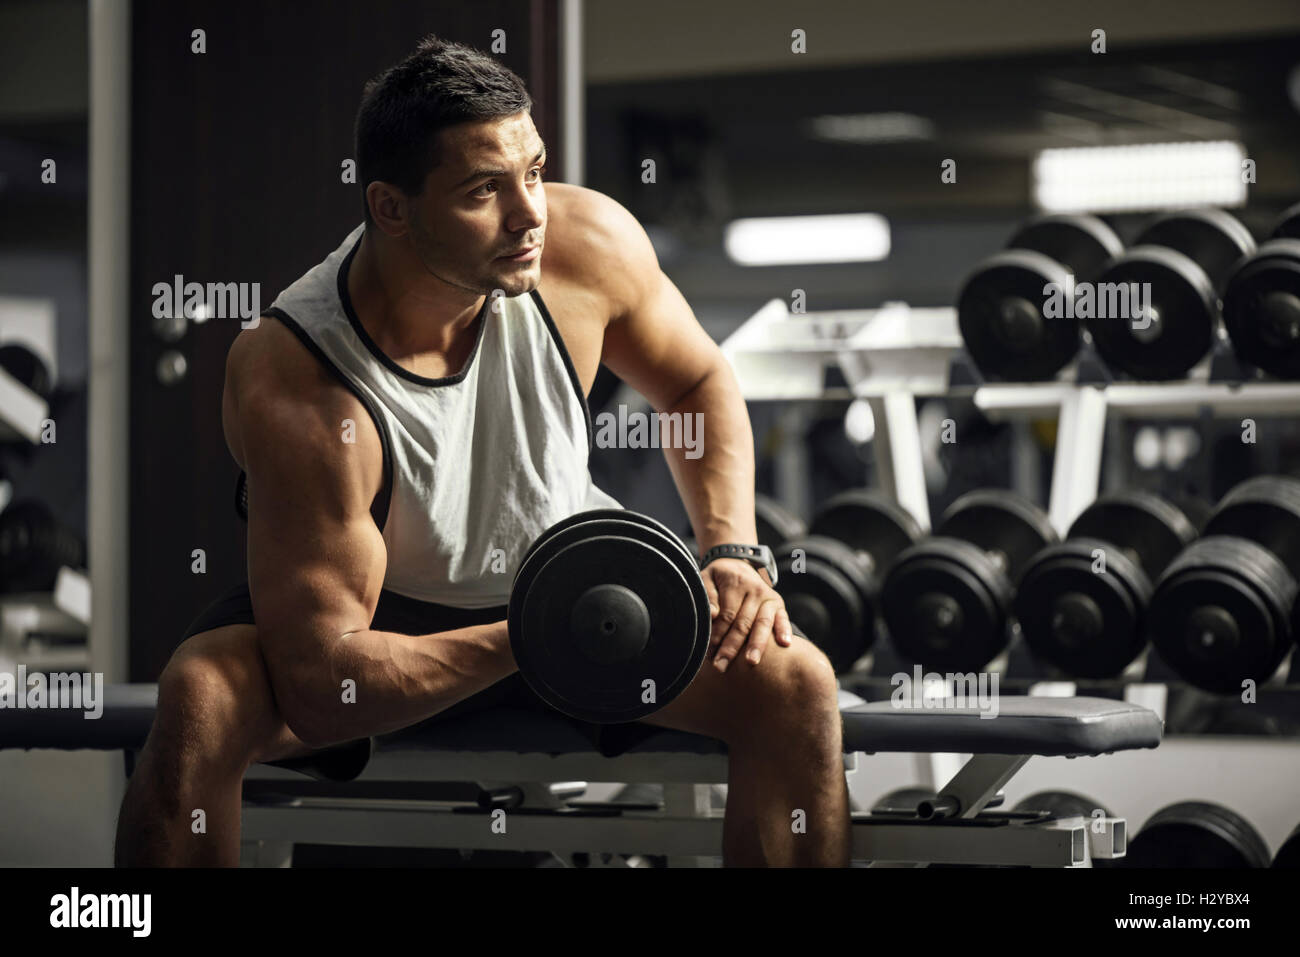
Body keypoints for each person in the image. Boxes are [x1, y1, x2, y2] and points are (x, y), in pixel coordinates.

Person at [114, 35, 847, 867]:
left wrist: (733, 548)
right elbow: (324, 688)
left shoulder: (585, 247)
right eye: (484, 190)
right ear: (391, 208)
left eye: (533, 171)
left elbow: (695, 383)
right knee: (203, 693)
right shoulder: (300, 379)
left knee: (794, 682)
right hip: (386, 627)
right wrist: (539, 632)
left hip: (581, 591)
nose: (530, 212)